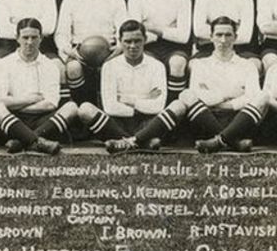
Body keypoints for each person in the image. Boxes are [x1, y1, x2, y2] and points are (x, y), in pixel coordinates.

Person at [107, 16, 268, 154]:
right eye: (218, 35)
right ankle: (232, 141)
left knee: (262, 97)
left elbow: (252, 96)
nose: (223, 40)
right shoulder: (200, 64)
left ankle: (220, 141)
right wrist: (230, 94)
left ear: (235, 37)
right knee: (186, 96)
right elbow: (198, 96)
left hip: (239, 119)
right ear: (211, 37)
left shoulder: (247, 65)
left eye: (228, 35)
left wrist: (220, 103)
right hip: (207, 118)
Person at [0, 18, 76, 155]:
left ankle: (24, 141)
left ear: (41, 38)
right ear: (16, 38)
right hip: (14, 119)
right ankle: (37, 142)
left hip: (42, 121)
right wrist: (30, 99)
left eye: (34, 37)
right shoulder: (3, 64)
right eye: (25, 37)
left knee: (71, 107)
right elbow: (0, 100)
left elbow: (51, 104)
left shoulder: (50, 66)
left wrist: (16, 102)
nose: (29, 42)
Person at [78, 20, 167, 149]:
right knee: (85, 109)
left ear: (145, 40)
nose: (133, 46)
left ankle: (122, 142)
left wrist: (126, 100)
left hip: (146, 122)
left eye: (137, 41)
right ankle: (140, 141)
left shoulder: (157, 66)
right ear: (120, 41)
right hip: (118, 122)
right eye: (128, 41)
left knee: (177, 107)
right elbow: (110, 107)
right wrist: (145, 100)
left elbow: (158, 106)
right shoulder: (109, 66)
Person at [55, 0, 127, 103]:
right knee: (73, 68)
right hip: (79, 53)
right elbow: (61, 34)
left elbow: (123, 31)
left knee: (113, 69)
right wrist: (70, 52)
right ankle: (81, 110)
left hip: (109, 52)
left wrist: (118, 50)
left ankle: (107, 112)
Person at [127, 0, 191, 102]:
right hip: (146, 47)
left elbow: (183, 36)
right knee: (147, 65)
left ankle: (175, 109)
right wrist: (169, 30)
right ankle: (151, 109)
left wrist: (152, 28)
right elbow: (135, 35)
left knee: (177, 63)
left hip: (174, 47)